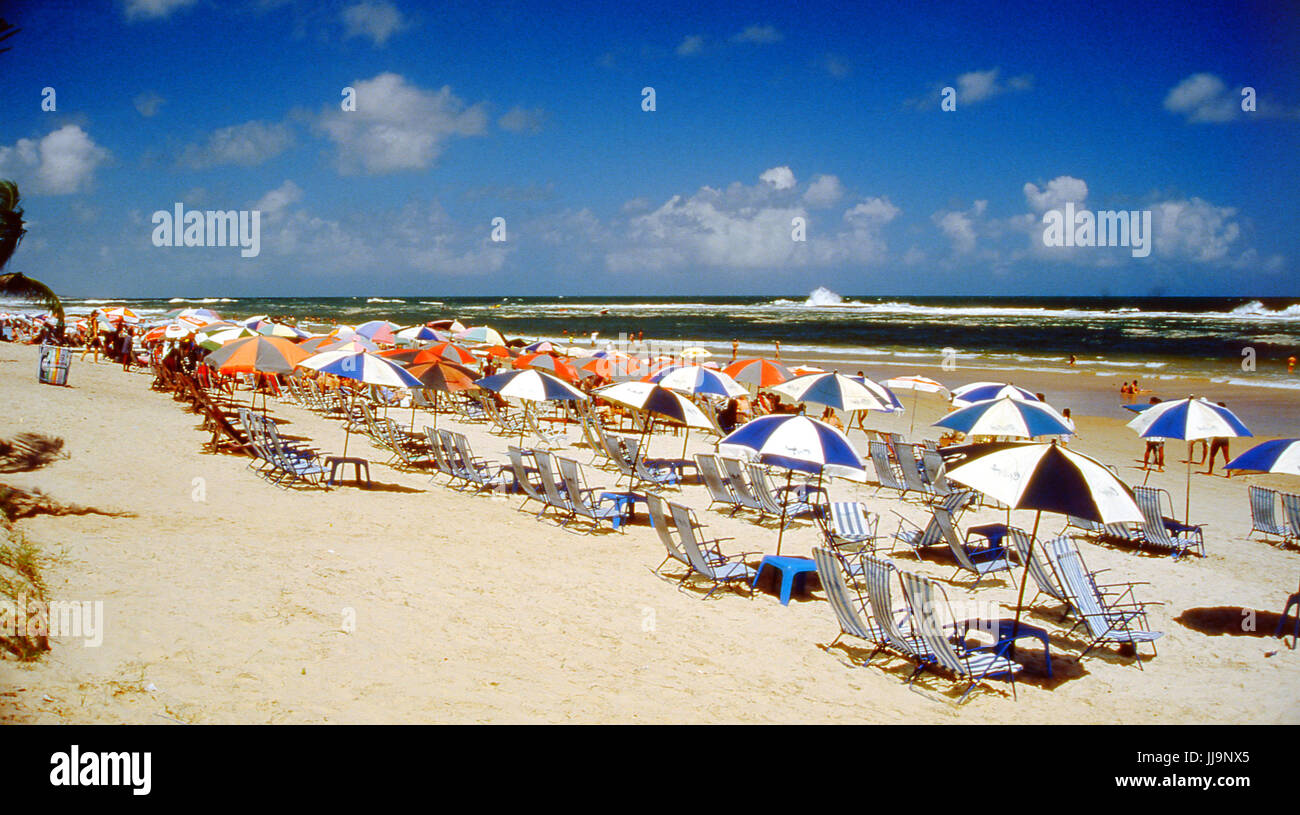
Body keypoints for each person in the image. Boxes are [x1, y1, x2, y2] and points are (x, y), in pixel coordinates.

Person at [1206, 402, 1232, 475]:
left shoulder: (1217, 416)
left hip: (1218, 437)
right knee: (1226, 457)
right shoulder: (1227, 417)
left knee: (1212, 455)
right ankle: (1228, 474)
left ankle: (1210, 471)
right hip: (1225, 437)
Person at [1142, 397, 1164, 470]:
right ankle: (1159, 467)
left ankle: (1145, 466)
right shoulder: (1163, 412)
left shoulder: (1149, 412)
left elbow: (1144, 419)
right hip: (1160, 434)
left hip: (1151, 434)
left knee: (1148, 450)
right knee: (1161, 451)